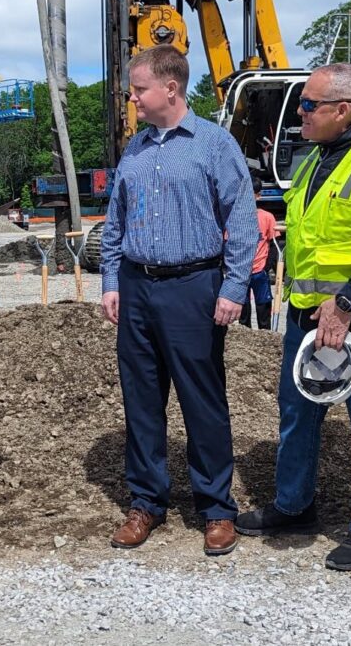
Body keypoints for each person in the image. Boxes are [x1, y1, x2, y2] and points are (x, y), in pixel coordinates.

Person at [234, 63, 351, 571]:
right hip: (306, 316)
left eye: (310, 104)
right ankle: (294, 507)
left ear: (344, 109)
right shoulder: (316, 159)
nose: (300, 112)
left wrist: (344, 304)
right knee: (297, 416)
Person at [99, 44, 258, 556]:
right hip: (137, 287)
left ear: (170, 87)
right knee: (142, 401)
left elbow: (239, 218)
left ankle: (216, 508)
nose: (134, 99)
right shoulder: (136, 149)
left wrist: (233, 288)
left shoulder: (213, 144)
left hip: (195, 287)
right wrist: (111, 281)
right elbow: (116, 220)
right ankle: (146, 502)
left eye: (139, 89)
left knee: (201, 400)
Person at [239, 176, 278, 330]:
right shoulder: (236, 216)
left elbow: (273, 243)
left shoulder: (267, 217)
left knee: (263, 310)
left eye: (252, 193)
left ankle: (265, 336)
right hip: (242, 271)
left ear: (258, 195)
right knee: (243, 312)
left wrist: (267, 266)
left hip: (259, 270)